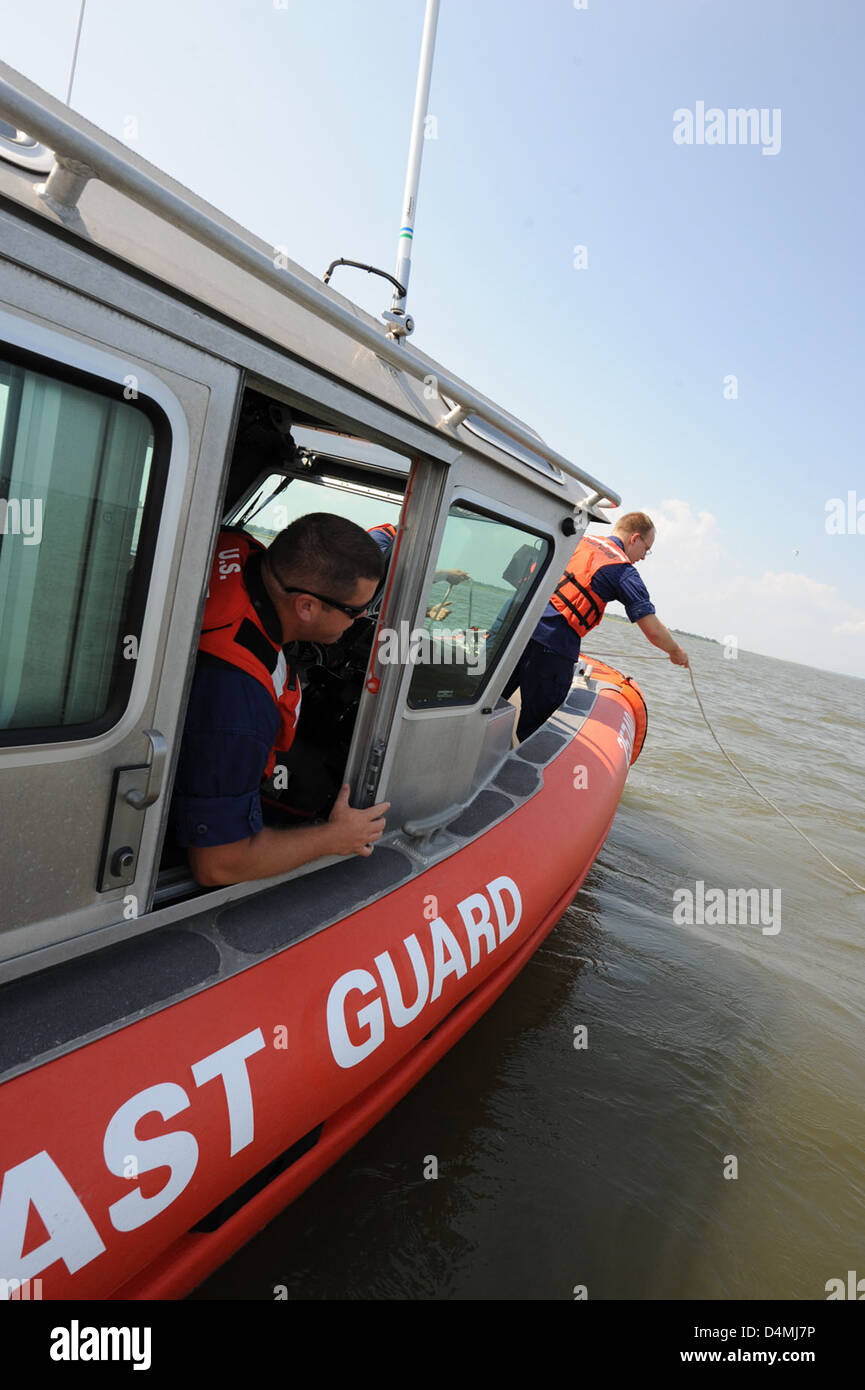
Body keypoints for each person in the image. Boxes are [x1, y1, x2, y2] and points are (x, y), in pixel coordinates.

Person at [170, 513, 389, 886]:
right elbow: (219, 865)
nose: (363, 618)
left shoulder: (234, 549)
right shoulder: (240, 702)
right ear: (306, 607)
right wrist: (335, 837)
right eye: (355, 612)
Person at [502, 511, 688, 741]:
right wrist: (676, 652)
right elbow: (652, 630)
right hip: (552, 645)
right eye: (646, 549)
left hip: (512, 625)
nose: (643, 557)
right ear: (635, 538)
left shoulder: (577, 539)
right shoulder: (621, 570)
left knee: (487, 701)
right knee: (535, 731)